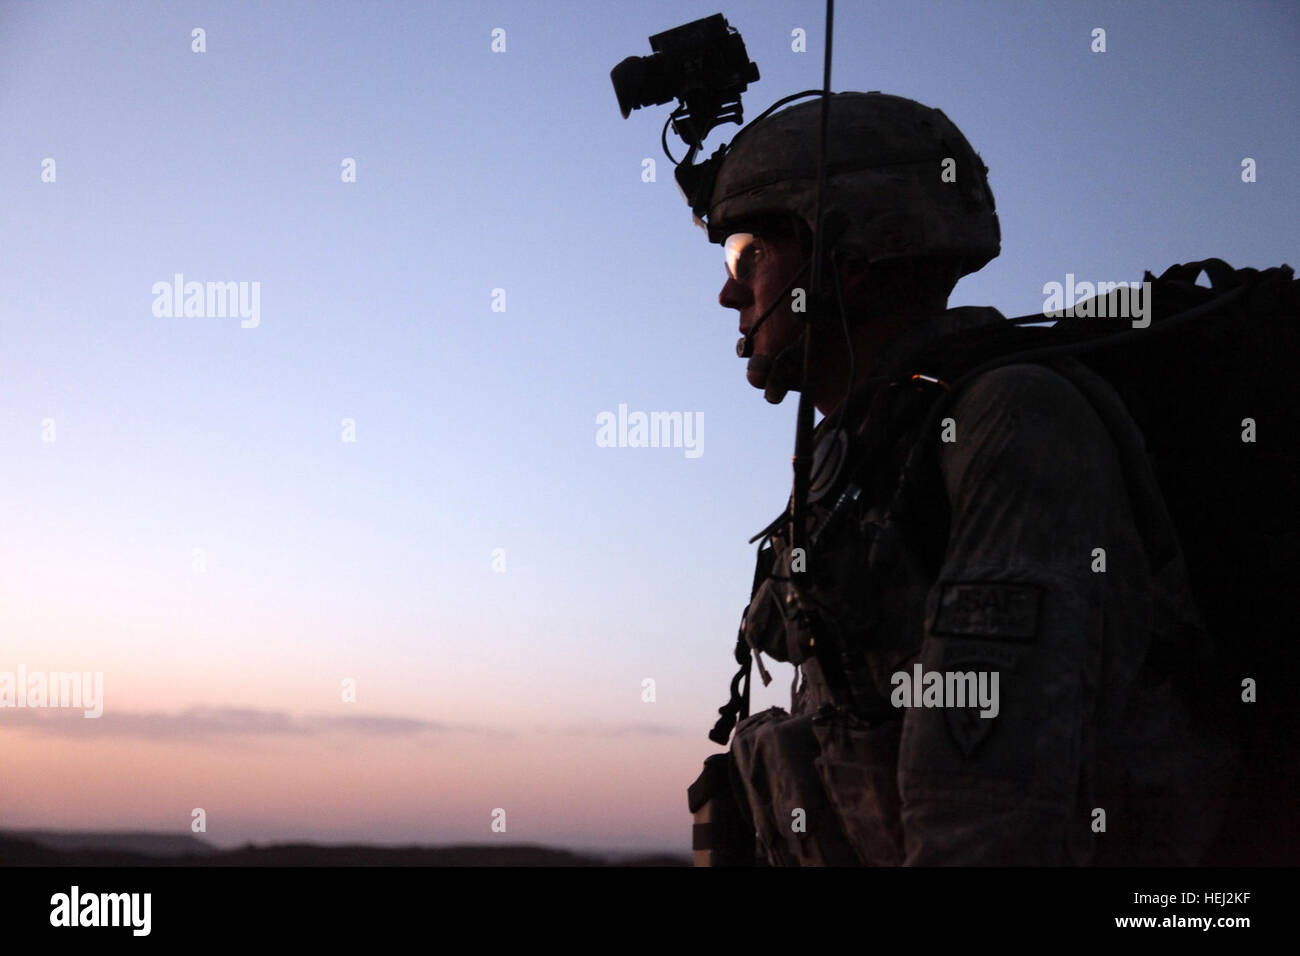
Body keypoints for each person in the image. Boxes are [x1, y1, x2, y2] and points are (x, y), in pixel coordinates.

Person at [688, 91, 1236, 866]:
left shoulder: (1011, 421)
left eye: (748, 254)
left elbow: (989, 820)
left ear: (845, 258)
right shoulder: (866, 458)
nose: (729, 292)